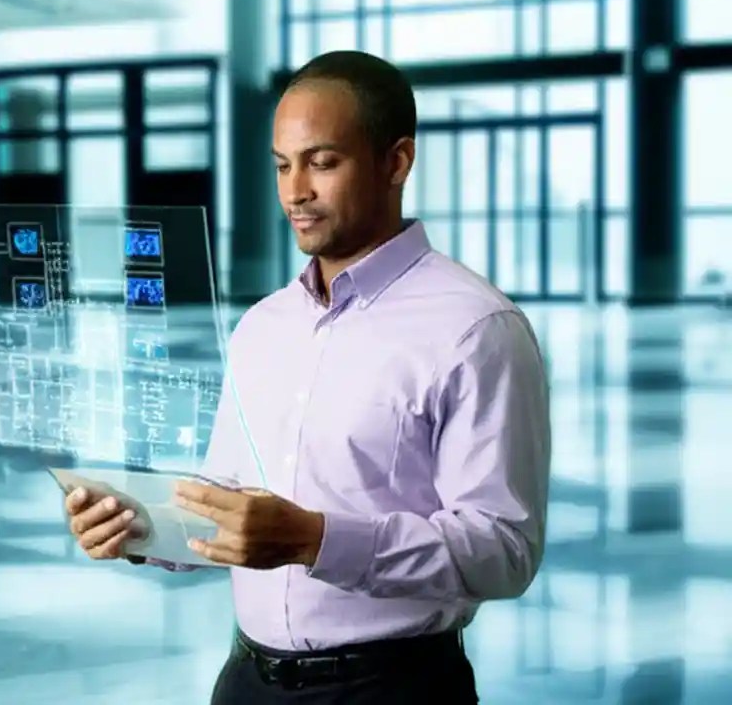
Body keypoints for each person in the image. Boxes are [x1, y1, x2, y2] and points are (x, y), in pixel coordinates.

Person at [63, 50, 551, 704]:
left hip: (391, 690)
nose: (295, 191)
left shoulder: (475, 328)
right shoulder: (263, 326)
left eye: (323, 162)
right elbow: (228, 493)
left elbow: (504, 549)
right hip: (245, 683)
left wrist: (318, 540)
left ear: (396, 161)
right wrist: (139, 527)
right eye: (282, 165)